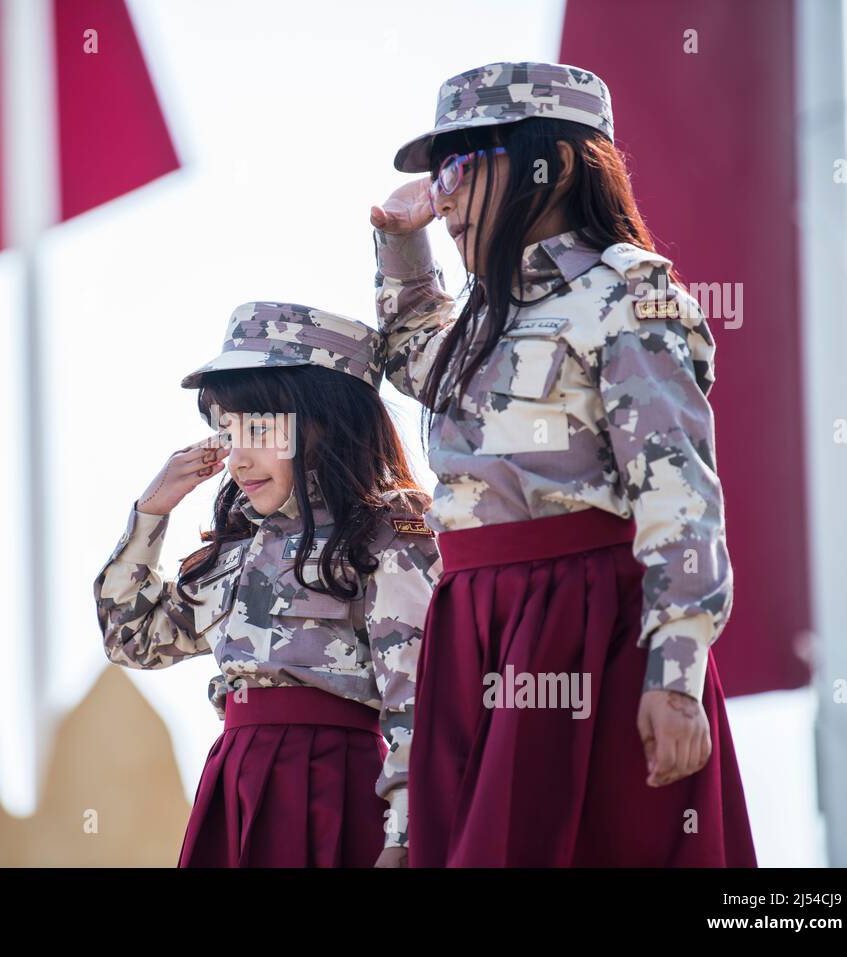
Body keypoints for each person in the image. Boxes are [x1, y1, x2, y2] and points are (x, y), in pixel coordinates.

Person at [368, 61, 757, 866]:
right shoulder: (485, 315)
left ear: (552, 162)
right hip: (471, 633)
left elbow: (680, 494)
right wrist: (399, 243)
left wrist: (676, 674)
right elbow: (411, 353)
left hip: (583, 633)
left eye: (460, 166)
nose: (442, 198)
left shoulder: (629, 298)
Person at [94, 302, 440, 867]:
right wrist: (151, 513)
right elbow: (132, 640)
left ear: (325, 419)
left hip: (336, 788)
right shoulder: (236, 548)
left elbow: (416, 698)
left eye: (258, 429)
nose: (237, 458)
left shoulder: (384, 530)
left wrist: (403, 834)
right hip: (235, 786)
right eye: (227, 431)